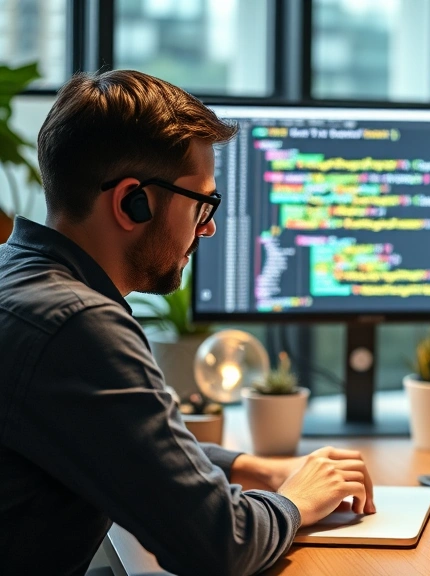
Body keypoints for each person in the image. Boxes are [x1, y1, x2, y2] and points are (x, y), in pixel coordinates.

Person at [0, 70, 376, 576]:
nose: (210, 226)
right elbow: (221, 545)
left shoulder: (17, 276)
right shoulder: (78, 322)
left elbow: (115, 433)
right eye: (203, 202)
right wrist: (297, 501)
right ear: (134, 201)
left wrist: (244, 467)